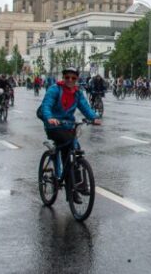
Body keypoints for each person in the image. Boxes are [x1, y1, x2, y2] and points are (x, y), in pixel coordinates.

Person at [39, 67, 100, 204]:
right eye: (67, 77)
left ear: (76, 79)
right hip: (53, 126)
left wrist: (94, 117)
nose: (70, 80)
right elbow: (46, 106)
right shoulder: (55, 90)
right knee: (68, 147)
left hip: (68, 126)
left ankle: (78, 186)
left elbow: (85, 107)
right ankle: (72, 190)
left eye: (73, 78)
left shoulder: (77, 93)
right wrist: (50, 118)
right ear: (63, 78)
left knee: (76, 150)